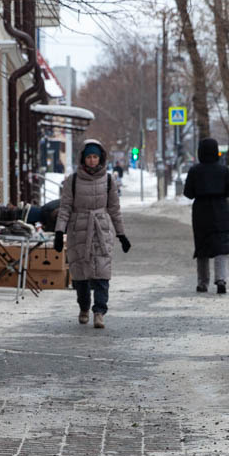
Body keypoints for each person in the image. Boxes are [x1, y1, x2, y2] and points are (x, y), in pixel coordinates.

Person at [53, 139, 131, 329]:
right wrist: (58, 231)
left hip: (101, 229)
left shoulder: (109, 180)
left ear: (101, 158)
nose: (92, 160)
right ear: (83, 158)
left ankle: (99, 312)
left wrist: (121, 234)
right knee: (80, 275)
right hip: (78, 230)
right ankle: (84, 307)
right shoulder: (73, 180)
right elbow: (65, 208)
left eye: (95, 156)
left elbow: (114, 209)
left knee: (102, 273)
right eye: (89, 157)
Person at [182, 136, 229, 294]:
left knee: (202, 247)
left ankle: (202, 282)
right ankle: (221, 279)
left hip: (201, 211)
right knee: (221, 246)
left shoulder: (194, 171)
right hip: (220, 210)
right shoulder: (224, 170)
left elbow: (188, 193)